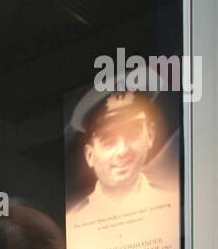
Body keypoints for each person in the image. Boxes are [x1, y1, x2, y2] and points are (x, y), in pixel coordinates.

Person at [70, 89, 164, 218]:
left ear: (150, 136)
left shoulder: (170, 202)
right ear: (90, 156)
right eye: (108, 141)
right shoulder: (75, 219)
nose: (122, 150)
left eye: (133, 134)